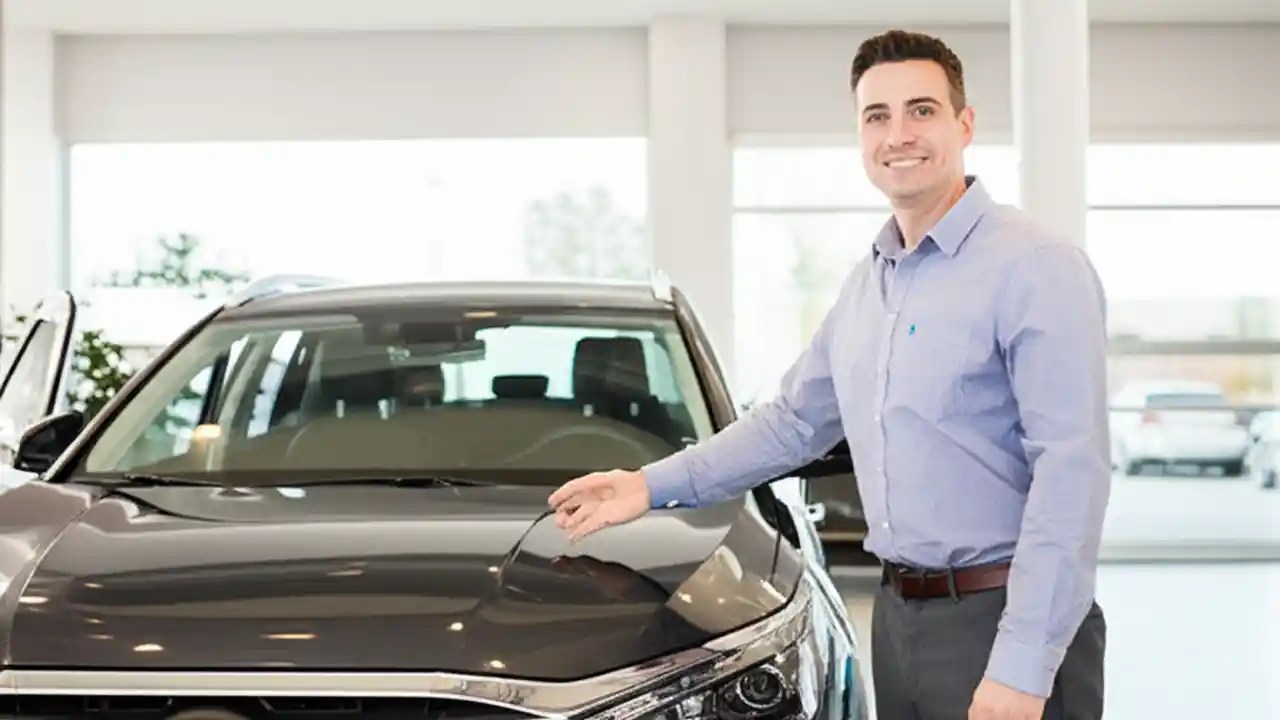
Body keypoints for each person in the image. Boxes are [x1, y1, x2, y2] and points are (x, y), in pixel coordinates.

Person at [548, 29, 1109, 720]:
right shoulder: (869, 284)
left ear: (965, 124)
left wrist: (1023, 667)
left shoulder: (1034, 266)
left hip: (1001, 622)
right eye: (877, 116)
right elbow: (790, 423)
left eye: (921, 110)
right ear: (860, 135)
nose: (898, 133)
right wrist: (646, 484)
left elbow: (1072, 472)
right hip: (898, 619)